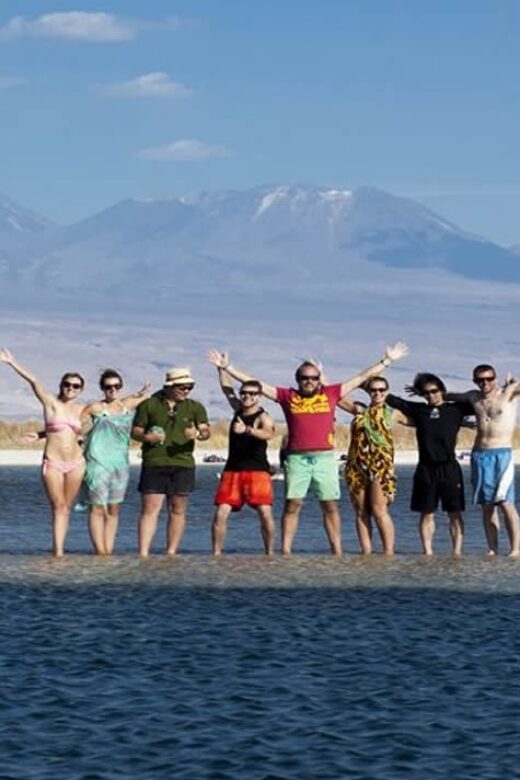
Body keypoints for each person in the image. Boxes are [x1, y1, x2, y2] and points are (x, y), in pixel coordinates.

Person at [208, 343, 408, 555]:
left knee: (330, 506)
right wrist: (228, 367)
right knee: (293, 505)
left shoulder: (330, 393)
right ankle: (285, 551)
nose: (309, 381)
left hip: (324, 459)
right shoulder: (287, 396)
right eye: (305, 378)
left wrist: (387, 361)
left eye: (314, 378)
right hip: (297, 459)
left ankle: (337, 552)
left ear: (319, 379)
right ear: (298, 379)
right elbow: (258, 385)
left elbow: (360, 378)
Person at [0, 348, 85, 557]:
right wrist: (12, 362)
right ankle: (57, 552)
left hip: (76, 463)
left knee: (66, 506)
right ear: (61, 386)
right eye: (67, 384)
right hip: (54, 462)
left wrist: (40, 434)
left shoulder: (83, 410)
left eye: (75, 386)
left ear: (80, 390)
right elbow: (34, 381)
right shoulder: (50, 403)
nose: (70, 388)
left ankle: (61, 549)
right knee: (57, 506)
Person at [385, 373, 474, 556]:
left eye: (434, 391)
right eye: (426, 393)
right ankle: (427, 553)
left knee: (454, 513)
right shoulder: (419, 411)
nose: (430, 396)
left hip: (449, 468)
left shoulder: (456, 409)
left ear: (442, 390)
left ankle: (456, 553)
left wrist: (448, 396)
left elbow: (481, 399)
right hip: (425, 468)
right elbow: (391, 399)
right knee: (426, 513)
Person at [131, 367, 210, 556]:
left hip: (183, 463)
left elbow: (206, 432)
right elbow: (135, 431)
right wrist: (148, 437)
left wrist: (197, 434)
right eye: (182, 387)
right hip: (154, 462)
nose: (186, 390)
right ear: (170, 387)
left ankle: (171, 552)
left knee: (178, 509)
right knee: (150, 508)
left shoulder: (195, 407)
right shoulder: (149, 405)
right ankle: (143, 553)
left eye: (189, 387)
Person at [447, 365, 520, 556]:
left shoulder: (508, 393)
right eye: (480, 380)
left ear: (495, 378)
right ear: (475, 381)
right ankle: (492, 548)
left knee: (505, 503)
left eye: (489, 378)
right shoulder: (474, 397)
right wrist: (423, 390)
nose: (485, 383)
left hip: (501, 454)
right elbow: (447, 396)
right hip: (480, 454)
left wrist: (514, 383)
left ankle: (515, 549)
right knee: (487, 505)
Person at [82, 369, 151, 555]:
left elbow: (152, 398)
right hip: (97, 462)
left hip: (120, 464)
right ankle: (99, 551)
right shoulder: (95, 407)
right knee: (97, 507)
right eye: (108, 387)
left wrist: (138, 393)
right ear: (102, 388)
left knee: (113, 508)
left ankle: (109, 550)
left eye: (116, 386)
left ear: (121, 387)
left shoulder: (128, 405)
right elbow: (72, 424)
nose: (112, 390)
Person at [338, 376, 410, 555]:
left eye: (381, 390)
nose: (377, 393)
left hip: (381, 466)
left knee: (379, 509)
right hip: (356, 465)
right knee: (362, 511)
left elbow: (422, 421)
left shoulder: (393, 413)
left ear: (387, 392)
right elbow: (336, 396)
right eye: (373, 390)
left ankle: (388, 552)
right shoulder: (359, 410)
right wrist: (359, 384)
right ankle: (366, 553)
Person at [211, 367, 276, 555]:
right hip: (233, 470)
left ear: (259, 396)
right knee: (221, 513)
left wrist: (248, 430)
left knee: (265, 513)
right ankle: (216, 554)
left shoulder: (264, 416)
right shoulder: (238, 410)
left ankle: (270, 553)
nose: (247, 397)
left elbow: (269, 433)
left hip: (257, 471)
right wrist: (222, 368)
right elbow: (227, 389)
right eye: (244, 393)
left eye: (252, 394)